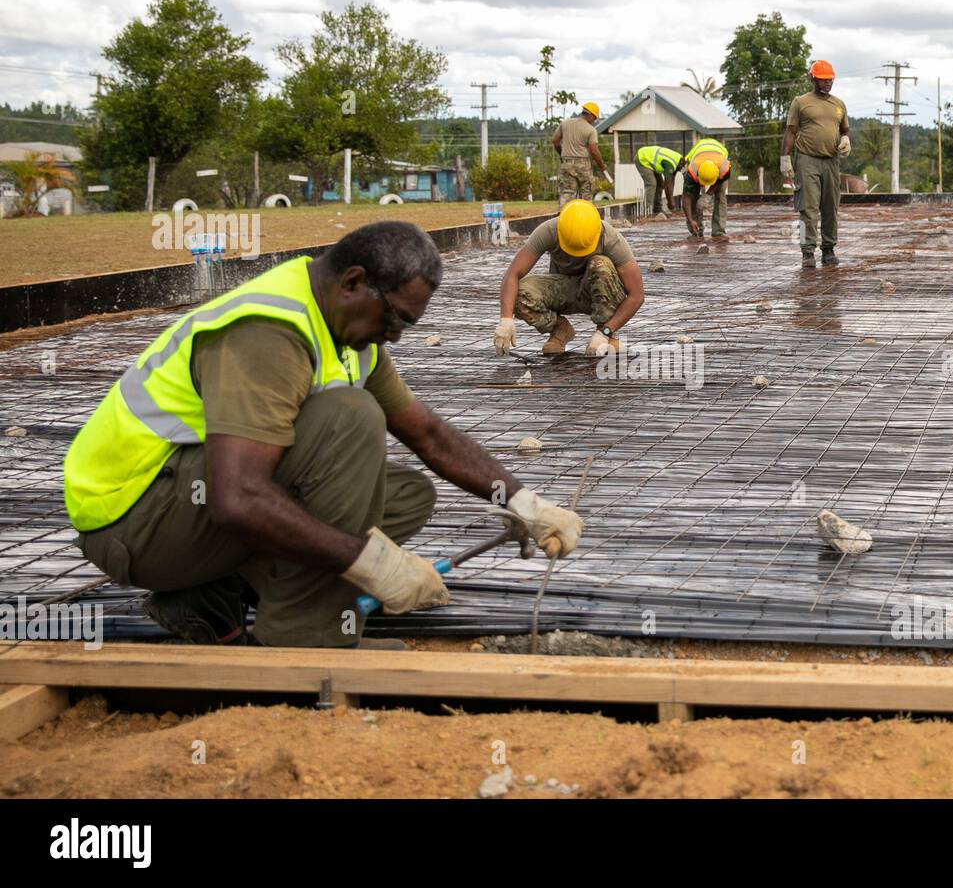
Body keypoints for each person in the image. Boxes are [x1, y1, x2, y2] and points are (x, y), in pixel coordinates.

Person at [63, 222, 584, 648]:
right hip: (134, 523)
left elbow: (427, 433)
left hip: (181, 508)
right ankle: (305, 635)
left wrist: (525, 504)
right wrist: (373, 564)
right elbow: (237, 497)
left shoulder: (343, 327)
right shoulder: (267, 334)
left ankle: (207, 594)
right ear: (354, 282)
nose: (396, 335)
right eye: (396, 318)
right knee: (350, 416)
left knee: (402, 497)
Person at [495, 199, 645, 356]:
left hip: (598, 293)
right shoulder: (549, 230)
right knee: (518, 293)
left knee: (600, 264)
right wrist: (506, 319)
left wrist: (606, 331)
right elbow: (512, 274)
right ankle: (560, 330)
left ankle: (609, 336)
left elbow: (637, 295)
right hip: (563, 290)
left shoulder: (610, 239)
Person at [782, 60, 851, 268]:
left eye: (829, 80)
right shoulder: (800, 102)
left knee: (831, 207)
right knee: (807, 209)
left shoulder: (838, 104)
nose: (827, 84)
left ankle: (829, 249)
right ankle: (807, 252)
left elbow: (845, 129)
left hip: (831, 161)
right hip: (806, 160)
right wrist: (785, 159)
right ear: (812, 79)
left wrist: (846, 139)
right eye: (822, 80)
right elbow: (791, 132)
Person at [551, 102, 611, 209]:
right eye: (595, 118)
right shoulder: (591, 130)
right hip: (583, 165)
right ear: (591, 115)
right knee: (586, 195)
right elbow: (594, 150)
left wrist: (562, 155)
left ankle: (562, 220)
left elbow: (555, 141)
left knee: (566, 194)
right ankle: (586, 220)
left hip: (567, 163)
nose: (594, 121)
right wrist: (602, 166)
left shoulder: (565, 124)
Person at [679, 137, 731, 239]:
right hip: (698, 154)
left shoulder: (724, 167)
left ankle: (719, 231)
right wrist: (690, 220)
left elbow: (721, 181)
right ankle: (696, 230)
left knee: (720, 194)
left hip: (718, 153)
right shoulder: (691, 170)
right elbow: (686, 198)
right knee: (692, 195)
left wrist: (707, 195)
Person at [636, 144, 682, 215]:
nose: (681, 171)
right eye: (682, 170)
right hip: (642, 158)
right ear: (681, 165)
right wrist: (670, 202)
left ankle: (657, 209)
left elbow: (671, 181)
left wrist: (671, 201)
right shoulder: (670, 164)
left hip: (651, 161)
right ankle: (648, 211)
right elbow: (667, 186)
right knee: (652, 183)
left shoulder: (678, 159)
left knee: (660, 183)